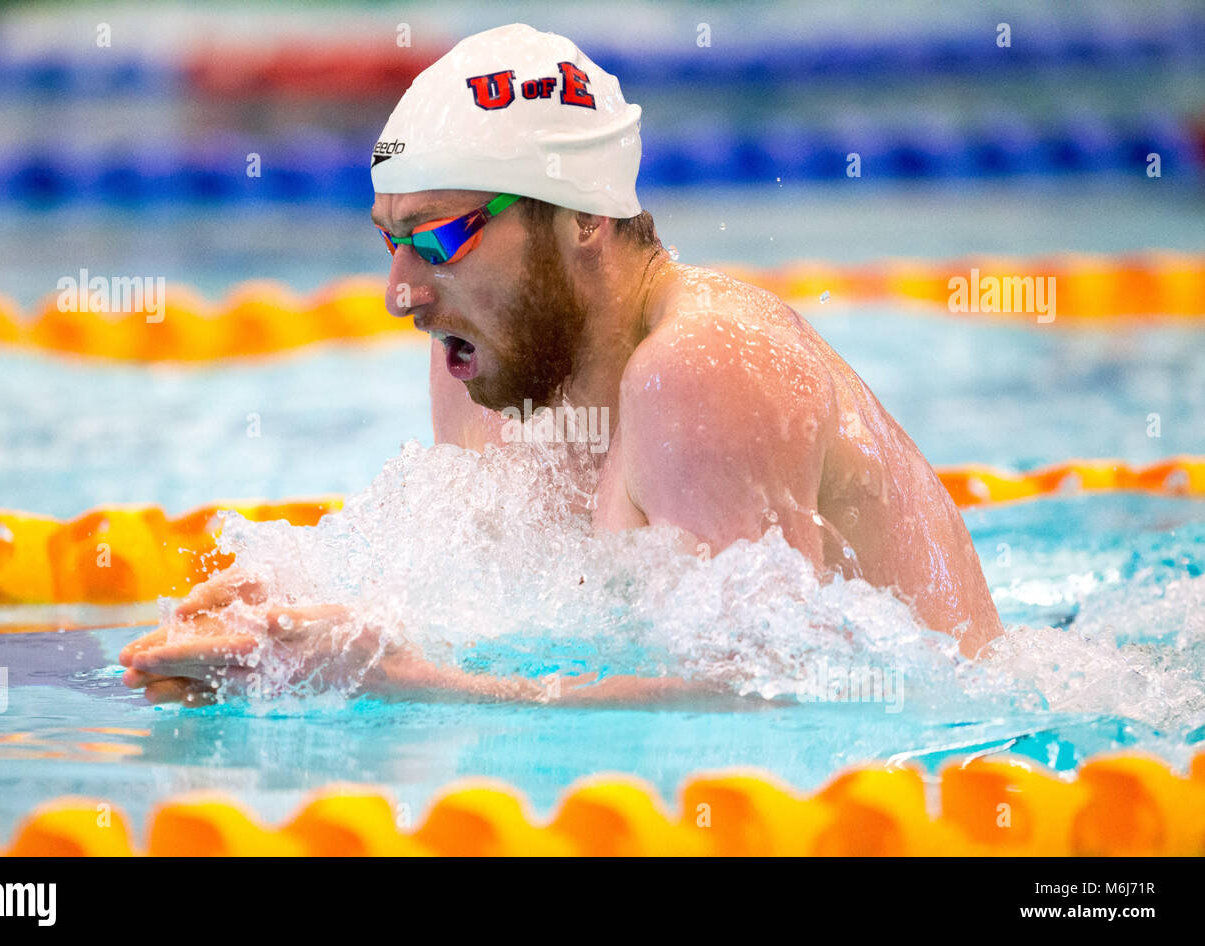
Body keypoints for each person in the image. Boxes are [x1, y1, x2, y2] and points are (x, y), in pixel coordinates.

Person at [121, 24, 1002, 707]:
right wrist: (299, 615)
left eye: (438, 239)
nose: (402, 292)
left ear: (580, 217)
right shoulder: (487, 366)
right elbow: (510, 602)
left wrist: (399, 682)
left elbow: (777, 699)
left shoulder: (704, 368)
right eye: (391, 242)